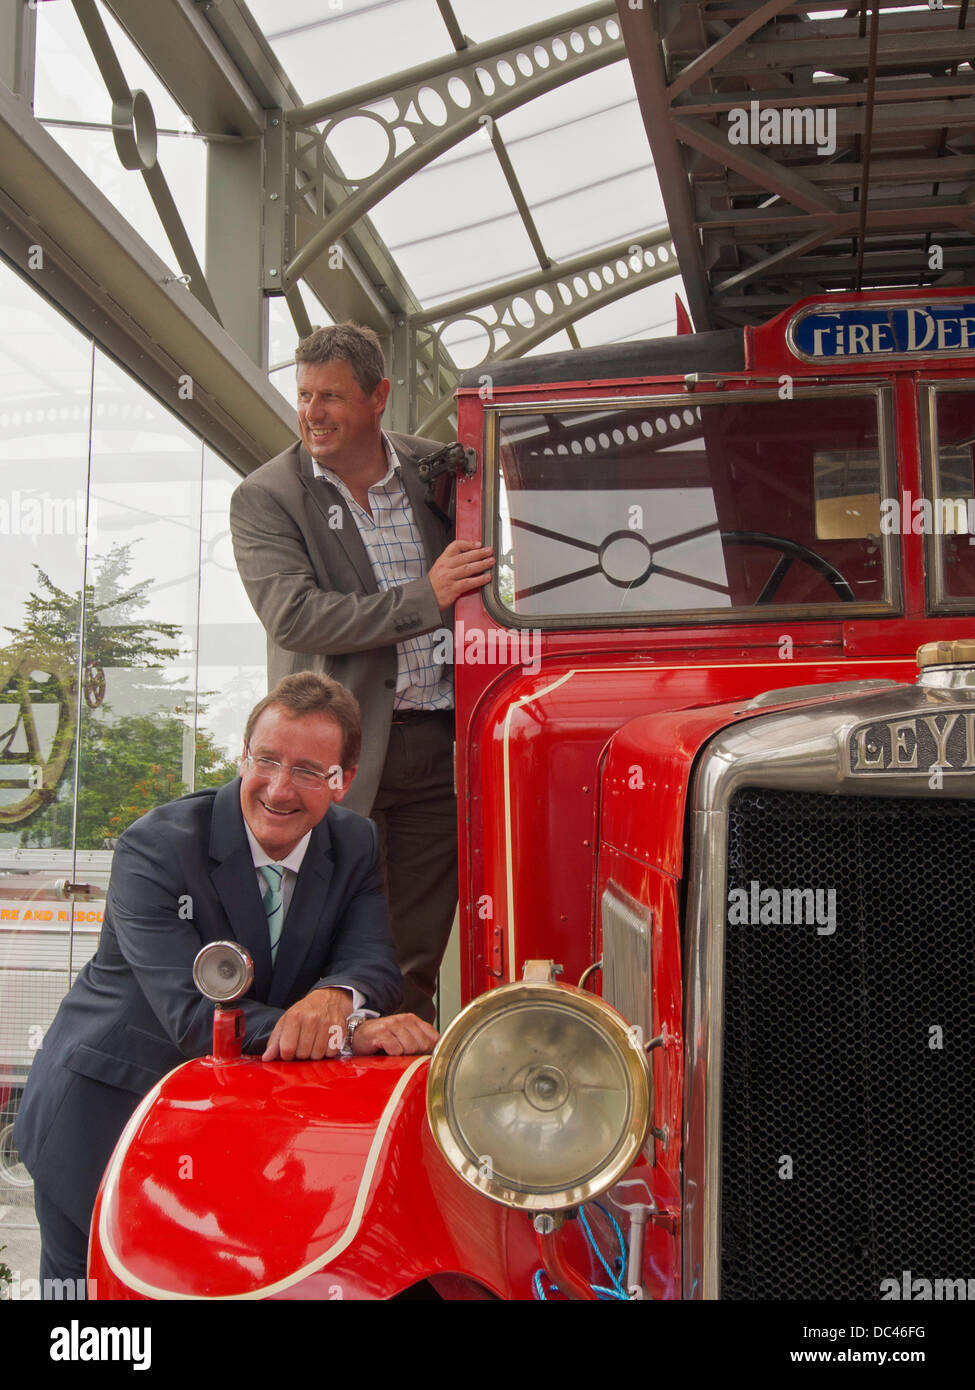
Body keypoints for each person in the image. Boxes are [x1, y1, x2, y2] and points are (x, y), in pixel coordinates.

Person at [14, 672, 437, 1294]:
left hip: (231, 1135)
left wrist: (335, 997)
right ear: (243, 756)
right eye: (266, 760)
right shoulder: (155, 847)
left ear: (342, 782)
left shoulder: (355, 841)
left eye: (308, 770)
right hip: (104, 1119)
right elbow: (192, 1016)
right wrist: (353, 1029)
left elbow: (372, 959)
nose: (278, 787)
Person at [230, 322, 493, 1023]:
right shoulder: (266, 496)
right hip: (338, 756)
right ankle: (314, 1103)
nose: (313, 413)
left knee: (413, 957)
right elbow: (294, 616)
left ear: (378, 396)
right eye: (305, 396)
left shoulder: (437, 471)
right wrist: (423, 598)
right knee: (319, 941)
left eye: (332, 397)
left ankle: (395, 1104)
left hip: (440, 747)